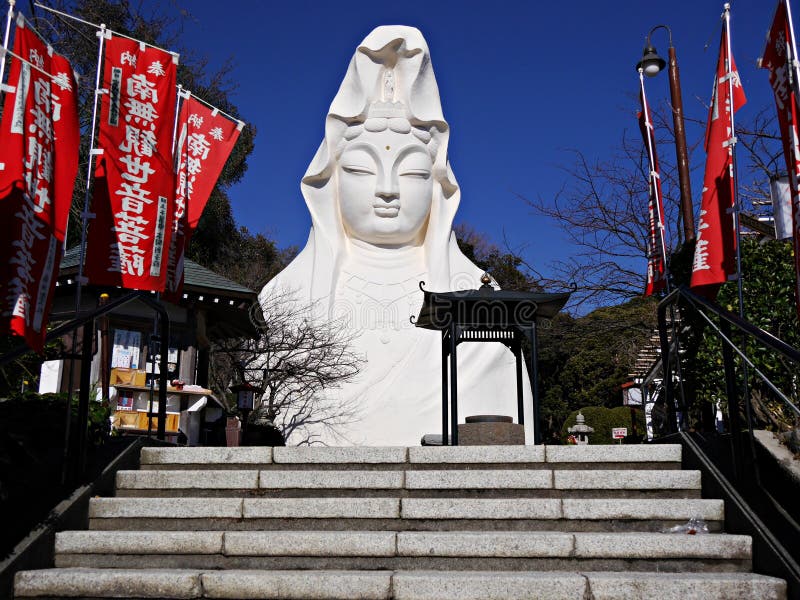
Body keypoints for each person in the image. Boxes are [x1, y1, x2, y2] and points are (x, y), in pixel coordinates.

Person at [260, 25, 533, 445]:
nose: (386, 188)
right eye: (360, 169)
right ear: (330, 181)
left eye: (412, 171)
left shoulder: (476, 298)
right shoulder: (285, 298)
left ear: (437, 186)